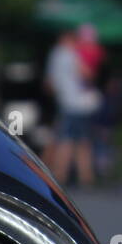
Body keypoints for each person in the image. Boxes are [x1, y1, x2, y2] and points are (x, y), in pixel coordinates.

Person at [43, 28, 101, 187]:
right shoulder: (72, 55)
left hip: (65, 102)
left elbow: (49, 84)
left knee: (64, 138)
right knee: (79, 140)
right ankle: (84, 176)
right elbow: (86, 74)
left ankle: (60, 173)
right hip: (79, 103)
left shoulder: (55, 55)